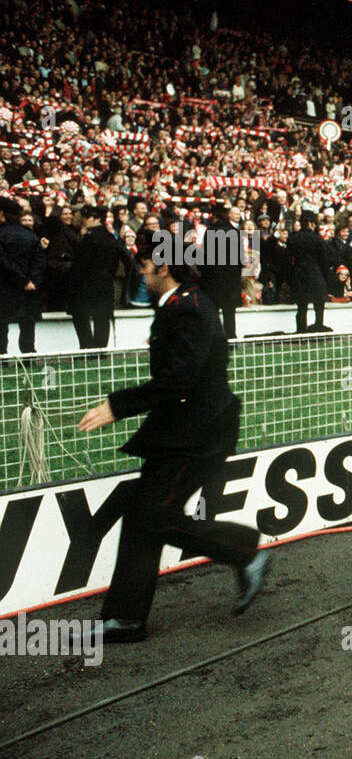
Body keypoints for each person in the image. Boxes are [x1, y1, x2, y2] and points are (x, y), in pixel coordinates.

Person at [75, 230, 271, 643]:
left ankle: (245, 551)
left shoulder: (189, 308)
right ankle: (125, 617)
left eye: (145, 267)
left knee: (151, 518)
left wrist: (117, 406)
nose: (141, 276)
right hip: (184, 433)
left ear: (164, 267)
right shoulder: (181, 306)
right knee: (145, 517)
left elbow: (179, 380)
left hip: (197, 436)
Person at [70, 206, 130, 348]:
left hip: (85, 284)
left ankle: (87, 347)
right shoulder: (111, 237)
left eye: (85, 218)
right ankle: (100, 349)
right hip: (106, 282)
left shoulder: (89, 238)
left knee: (80, 316)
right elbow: (125, 257)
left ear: (94, 218)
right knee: (102, 317)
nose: (83, 221)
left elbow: (80, 264)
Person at [0, 197, 44, 354]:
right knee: (27, 327)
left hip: (5, 289)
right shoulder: (30, 235)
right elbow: (39, 261)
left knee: (1, 329)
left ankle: (2, 362)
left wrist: (22, 280)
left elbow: (3, 262)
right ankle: (29, 359)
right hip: (28, 289)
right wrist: (32, 280)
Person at [200, 203, 243, 338]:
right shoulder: (235, 232)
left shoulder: (211, 232)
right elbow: (241, 258)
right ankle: (231, 337)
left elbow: (205, 256)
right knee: (230, 311)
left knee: (214, 310)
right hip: (231, 278)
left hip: (214, 278)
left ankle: (215, 338)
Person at [287, 211, 330, 332]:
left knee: (301, 306)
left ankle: (301, 331)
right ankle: (318, 327)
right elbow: (324, 260)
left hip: (299, 273)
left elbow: (288, 260)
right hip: (316, 274)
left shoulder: (293, 238)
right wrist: (326, 277)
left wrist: (291, 277)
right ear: (310, 223)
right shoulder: (317, 239)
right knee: (319, 305)